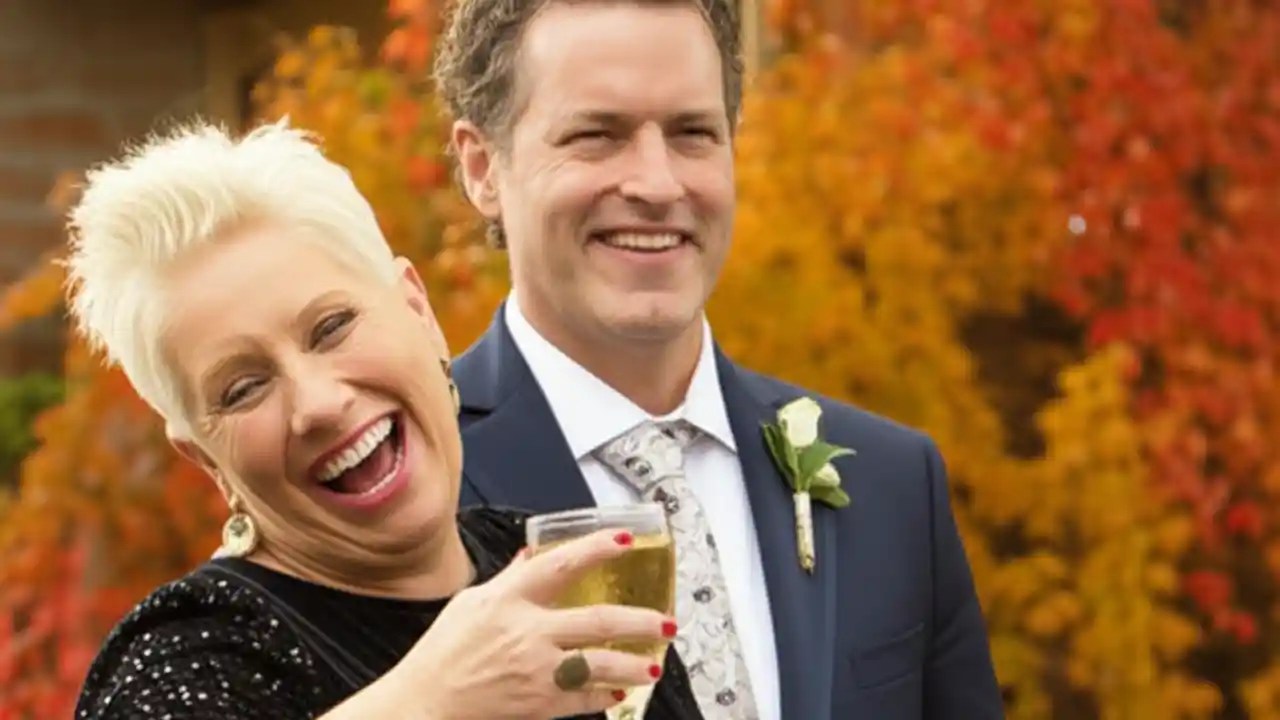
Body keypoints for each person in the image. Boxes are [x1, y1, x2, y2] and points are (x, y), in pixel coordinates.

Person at [434, 0, 1005, 718]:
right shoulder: (404, 489)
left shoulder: (894, 488)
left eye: (692, 133)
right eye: (597, 135)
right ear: (482, 167)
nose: (657, 183)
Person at [66, 120, 707, 720]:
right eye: (244, 388)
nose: (317, 403)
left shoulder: (557, 573)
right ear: (208, 460)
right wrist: (431, 699)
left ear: (418, 312)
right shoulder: (194, 656)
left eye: (331, 327)